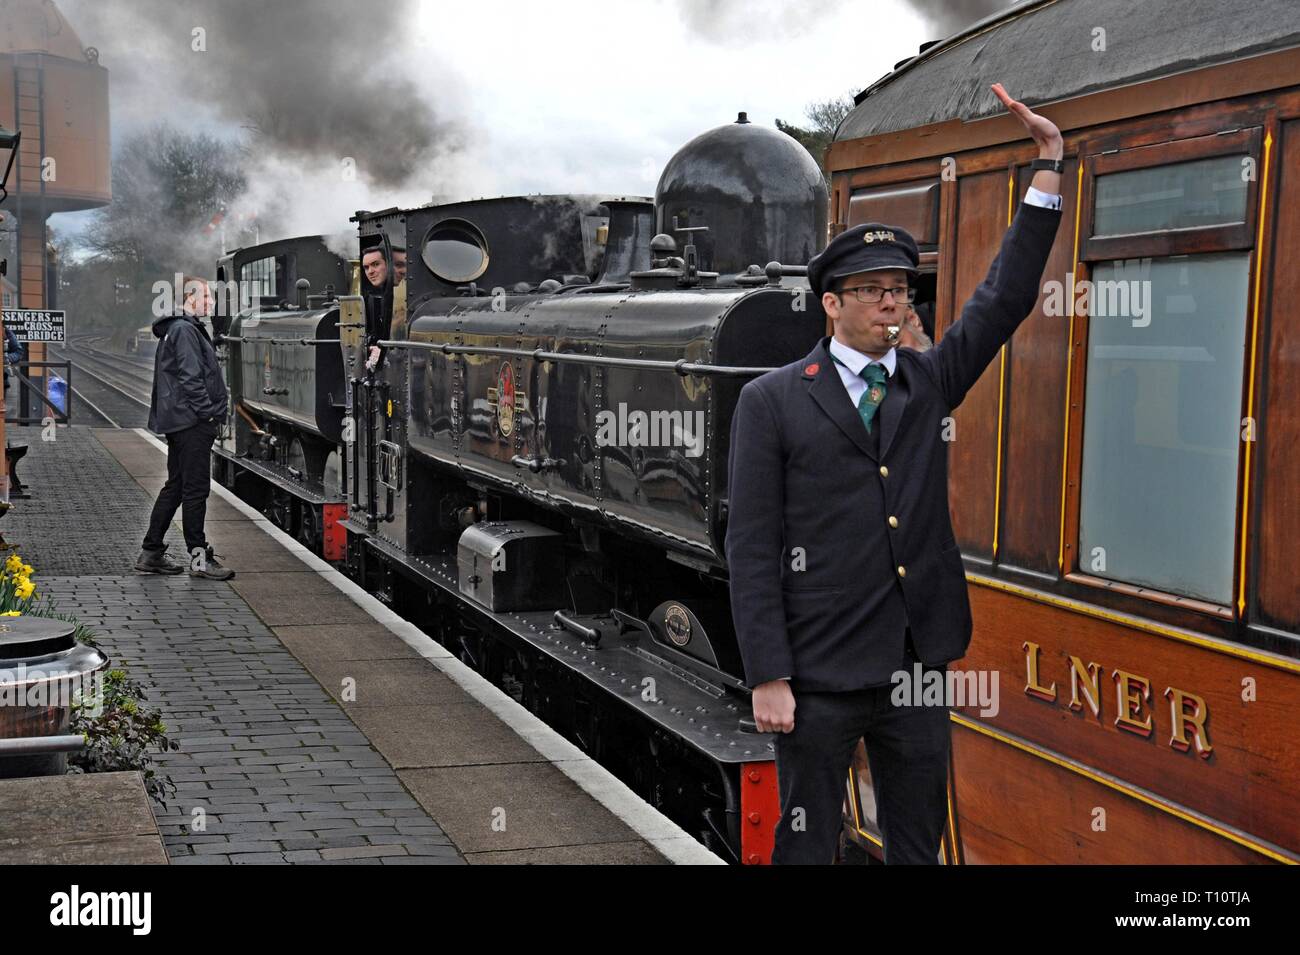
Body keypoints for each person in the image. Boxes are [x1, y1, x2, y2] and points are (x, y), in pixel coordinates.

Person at [726, 83, 1064, 864]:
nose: (892, 304)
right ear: (832, 304)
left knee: (918, 846)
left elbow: (1002, 301)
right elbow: (751, 546)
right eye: (875, 292)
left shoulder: (926, 381)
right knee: (807, 847)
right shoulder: (770, 402)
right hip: (815, 678)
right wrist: (767, 674)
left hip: (915, 671)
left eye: (901, 290)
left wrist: (1048, 169)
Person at [135, 277, 235, 580]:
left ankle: (151, 553)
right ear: (191, 298)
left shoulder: (180, 329)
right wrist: (207, 414)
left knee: (177, 486)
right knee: (195, 490)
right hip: (192, 422)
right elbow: (191, 378)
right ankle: (199, 560)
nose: (211, 303)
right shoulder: (184, 331)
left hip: (182, 421)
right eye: (206, 297)